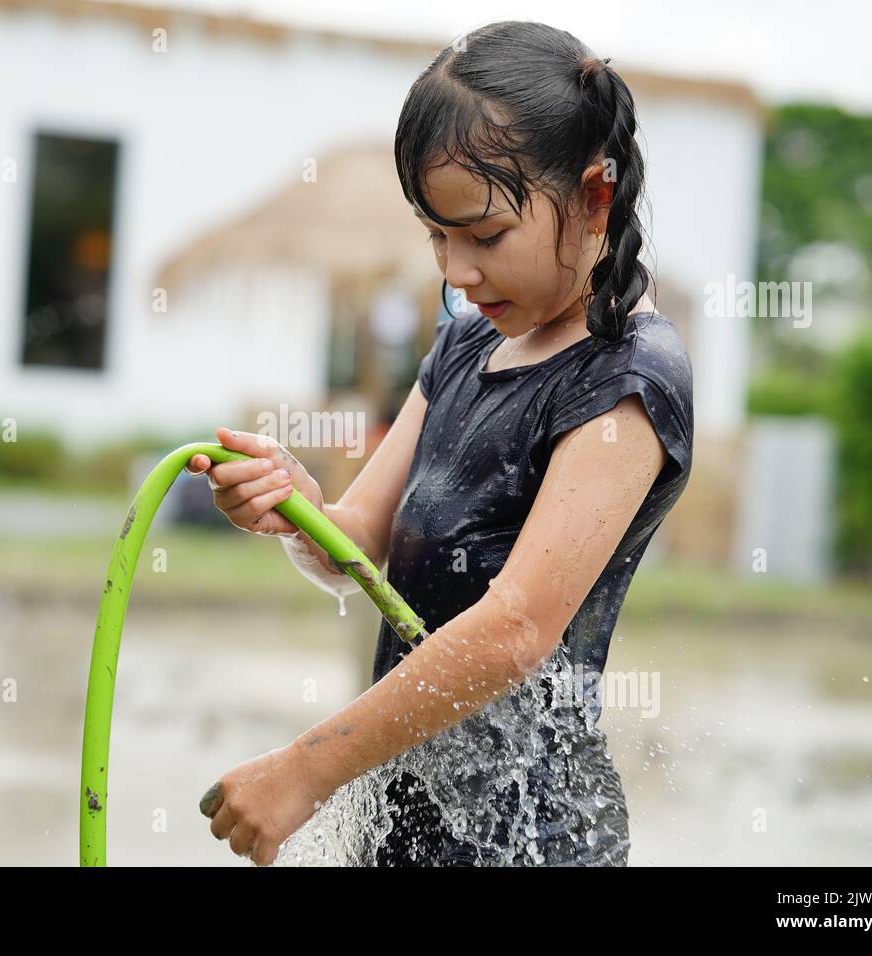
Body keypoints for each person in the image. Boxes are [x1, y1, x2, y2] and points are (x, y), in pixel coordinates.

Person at [190, 20, 693, 866]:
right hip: (410, 819)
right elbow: (362, 545)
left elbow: (516, 629)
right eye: (436, 234)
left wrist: (306, 770)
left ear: (594, 197)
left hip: (529, 838)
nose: (455, 271)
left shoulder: (626, 380)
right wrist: (299, 510)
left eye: (485, 236)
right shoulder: (466, 342)